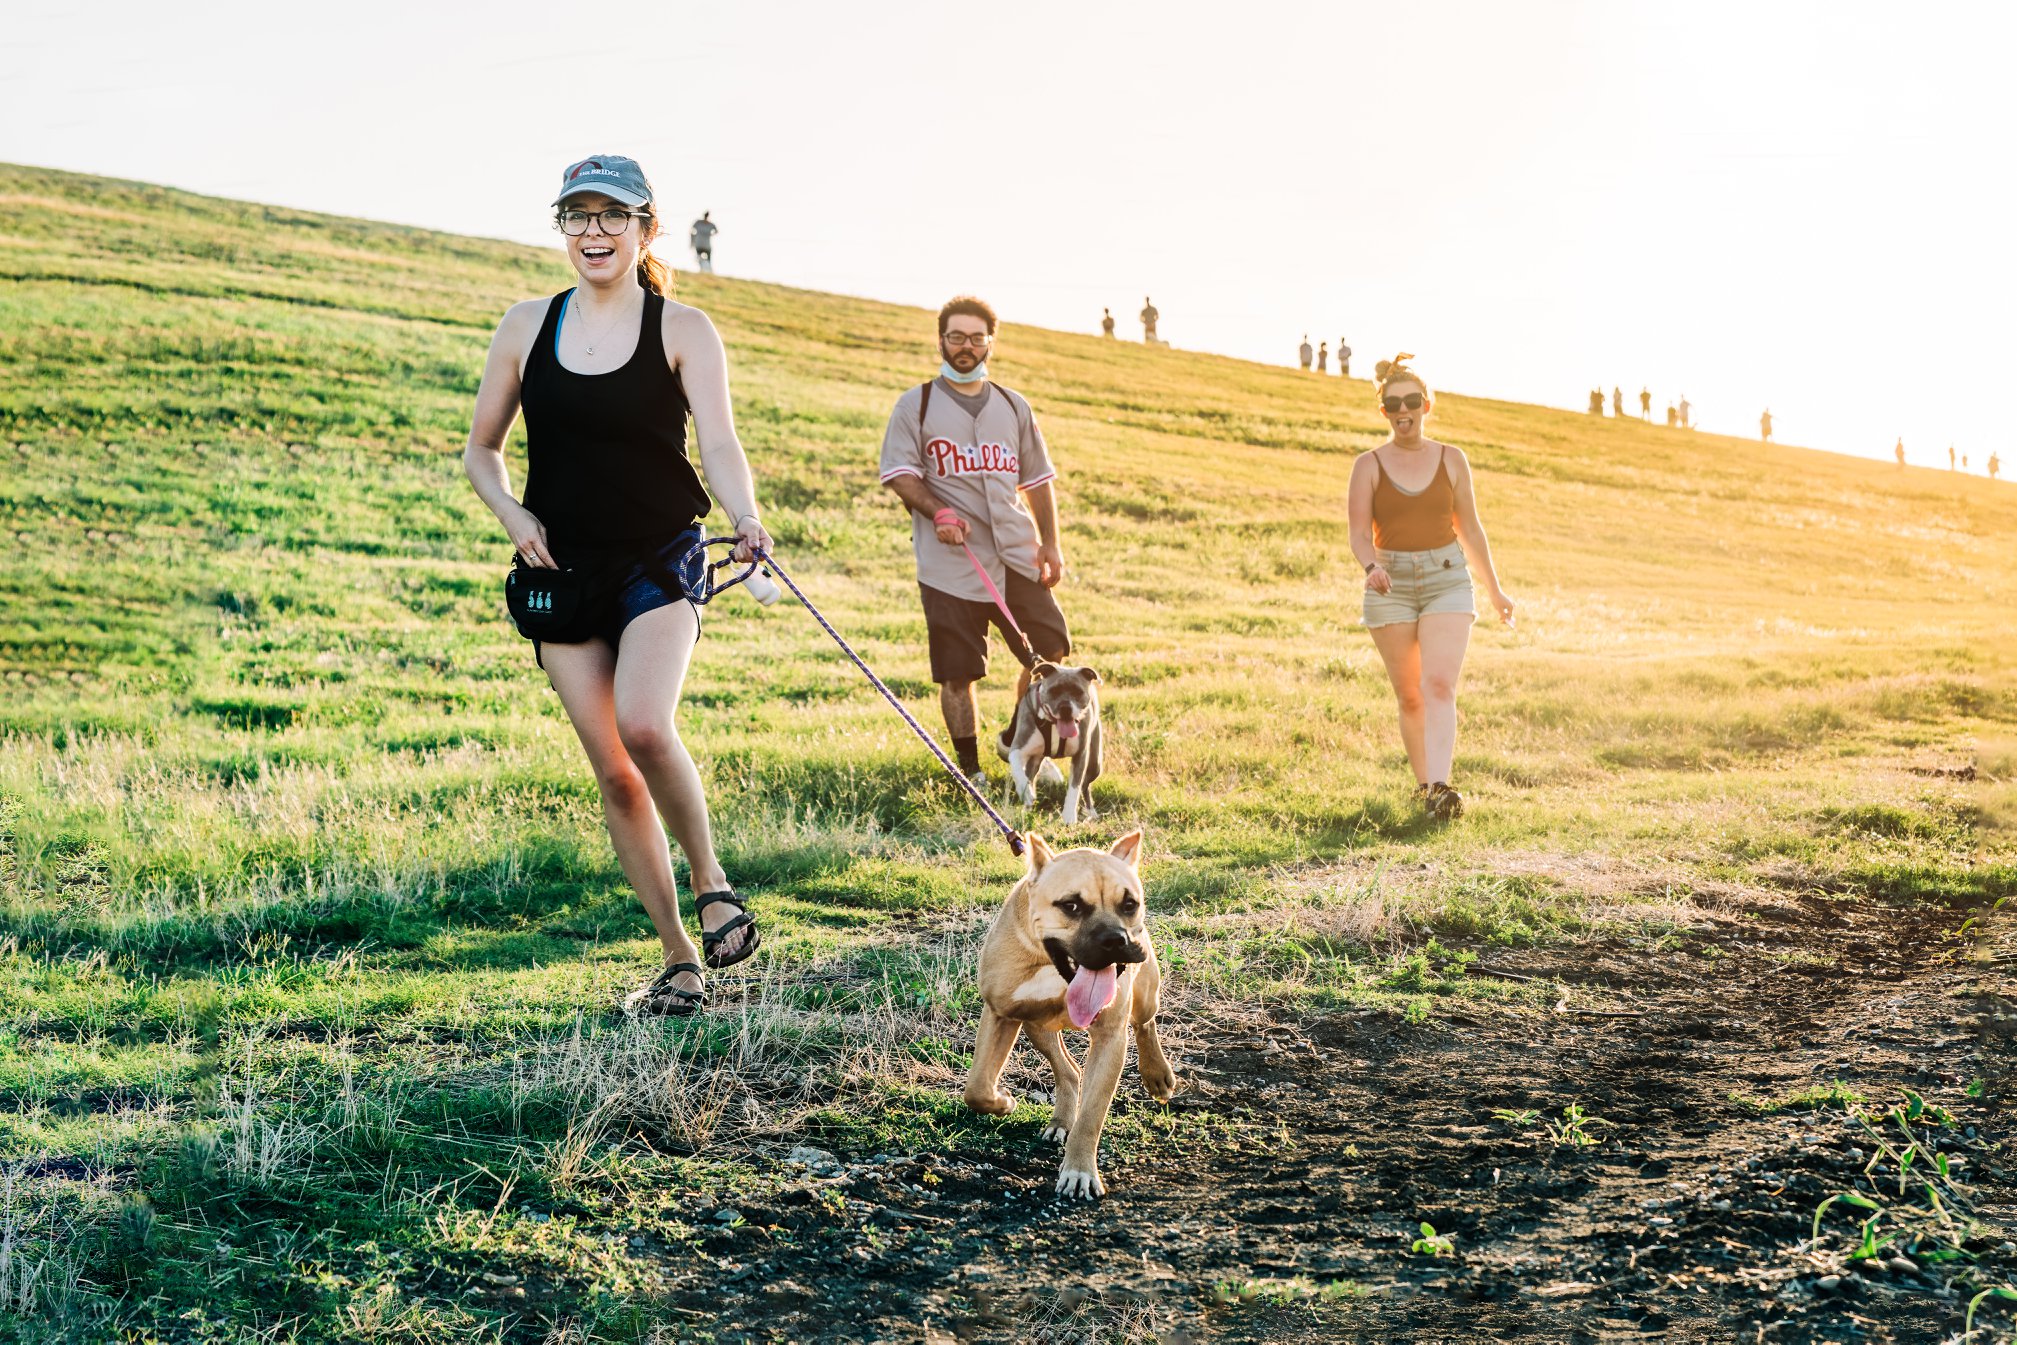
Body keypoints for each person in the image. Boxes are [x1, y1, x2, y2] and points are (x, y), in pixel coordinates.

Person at [463, 155, 769, 1017]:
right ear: (562, 227)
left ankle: (711, 881)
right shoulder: (526, 326)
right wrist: (515, 519)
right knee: (614, 773)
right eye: (577, 216)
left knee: (643, 721)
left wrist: (743, 512)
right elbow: (479, 449)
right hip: (561, 572)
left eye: (612, 216)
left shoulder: (683, 327)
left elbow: (718, 442)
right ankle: (678, 960)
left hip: (658, 559)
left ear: (645, 228)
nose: (593, 233)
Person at [879, 296, 1071, 783]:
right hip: (951, 566)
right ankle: (971, 773)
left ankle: (1016, 741)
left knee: (1050, 652)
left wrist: (1050, 542)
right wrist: (937, 509)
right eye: (956, 336)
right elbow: (900, 474)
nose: (966, 346)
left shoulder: (1013, 405)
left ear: (990, 342)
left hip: (1016, 556)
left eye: (976, 337)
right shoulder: (915, 404)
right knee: (957, 674)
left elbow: (1038, 479)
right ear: (941, 339)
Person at [1347, 354, 1515, 821]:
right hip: (1390, 585)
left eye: (1412, 401)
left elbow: (1472, 530)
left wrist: (1496, 591)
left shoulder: (1452, 459)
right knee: (1410, 695)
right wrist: (1370, 566)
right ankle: (1425, 790)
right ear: (1383, 410)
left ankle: (1442, 790)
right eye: (1393, 403)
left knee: (1439, 683)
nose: (1404, 410)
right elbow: (1359, 532)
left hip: (1447, 578)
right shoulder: (1369, 465)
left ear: (1426, 405)